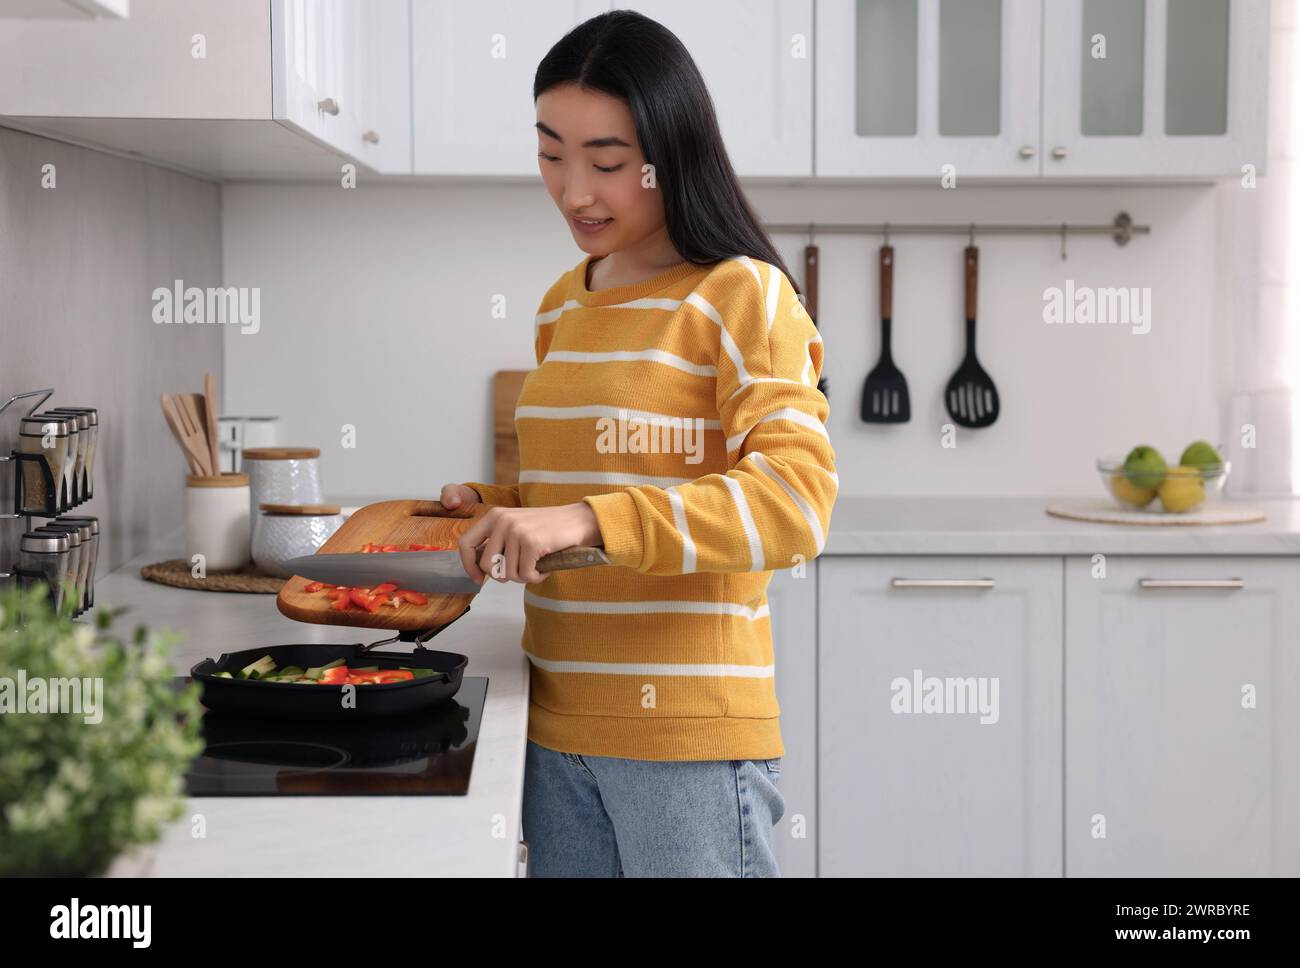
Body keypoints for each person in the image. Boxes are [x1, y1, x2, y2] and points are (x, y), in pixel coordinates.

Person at [438, 9, 838, 877]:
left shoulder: (743, 296)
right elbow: (586, 493)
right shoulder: (562, 305)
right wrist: (504, 511)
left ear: (671, 152)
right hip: (554, 727)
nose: (574, 190)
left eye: (607, 163)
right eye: (551, 153)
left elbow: (795, 504)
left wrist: (584, 520)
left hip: (686, 743)